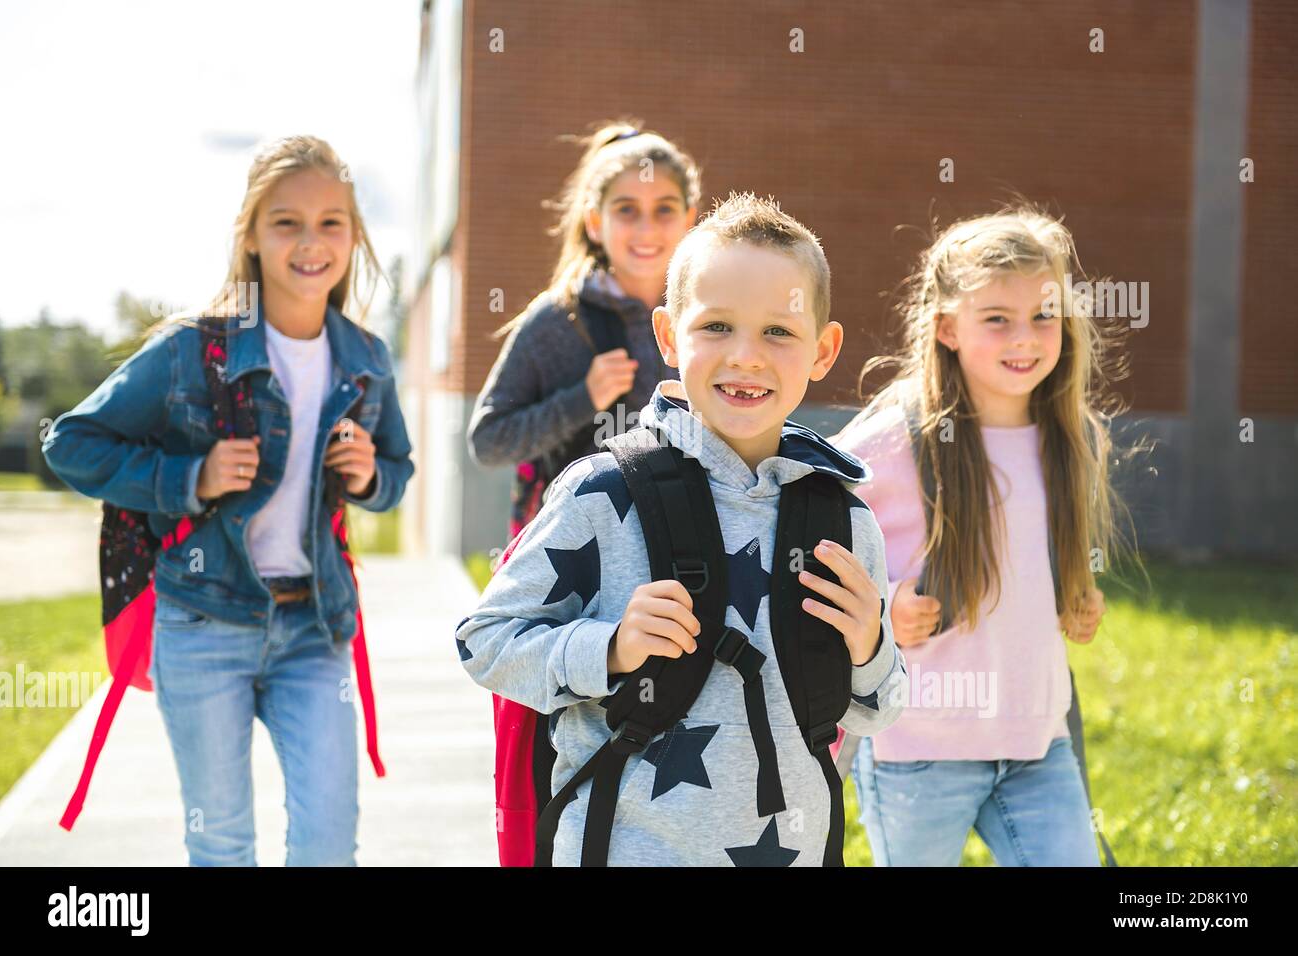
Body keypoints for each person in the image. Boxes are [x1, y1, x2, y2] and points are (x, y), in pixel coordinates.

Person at [458, 192, 908, 865]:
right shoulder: (603, 493)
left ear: (823, 349)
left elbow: (877, 712)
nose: (747, 357)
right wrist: (608, 649)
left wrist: (871, 643)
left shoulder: (843, 518)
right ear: (668, 336)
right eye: (717, 327)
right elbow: (484, 642)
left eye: (779, 332)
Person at [42, 135, 414, 866]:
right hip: (203, 624)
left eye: (331, 221)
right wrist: (191, 478)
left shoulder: (366, 359)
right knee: (221, 844)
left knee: (328, 842)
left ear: (355, 235)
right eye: (287, 222)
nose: (312, 242)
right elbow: (70, 443)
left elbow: (397, 470)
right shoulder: (192, 349)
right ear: (251, 233)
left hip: (315, 629)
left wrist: (372, 475)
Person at [831, 203, 1135, 866]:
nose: (1024, 338)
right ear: (946, 327)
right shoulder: (895, 441)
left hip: (1037, 743)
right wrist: (882, 605)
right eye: (997, 318)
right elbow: (810, 541)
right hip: (919, 750)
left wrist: (1076, 597)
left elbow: (1038, 559)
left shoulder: (1071, 439)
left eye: (1043, 316)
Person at [467, 120, 701, 538]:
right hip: (574, 564)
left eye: (664, 209)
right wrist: (583, 399)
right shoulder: (559, 321)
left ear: (689, 218)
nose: (646, 228)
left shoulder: (709, 319)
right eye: (626, 209)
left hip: (679, 557)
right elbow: (488, 442)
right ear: (595, 222)